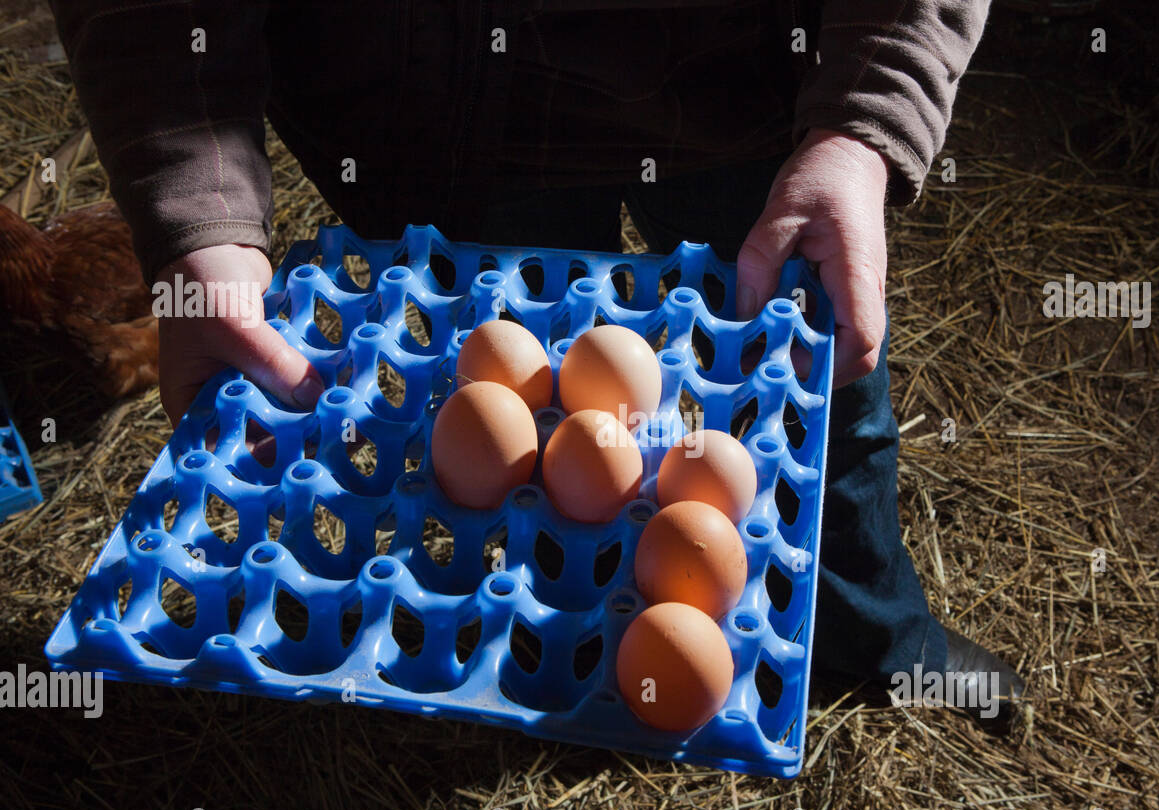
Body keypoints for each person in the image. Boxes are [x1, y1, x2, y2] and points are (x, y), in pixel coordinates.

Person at [50, 0, 1024, 728]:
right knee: (520, 436)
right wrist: (197, 205)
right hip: (445, 111)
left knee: (825, 386)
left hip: (744, 87)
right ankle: (577, 647)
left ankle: (878, 634)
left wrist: (864, 115)